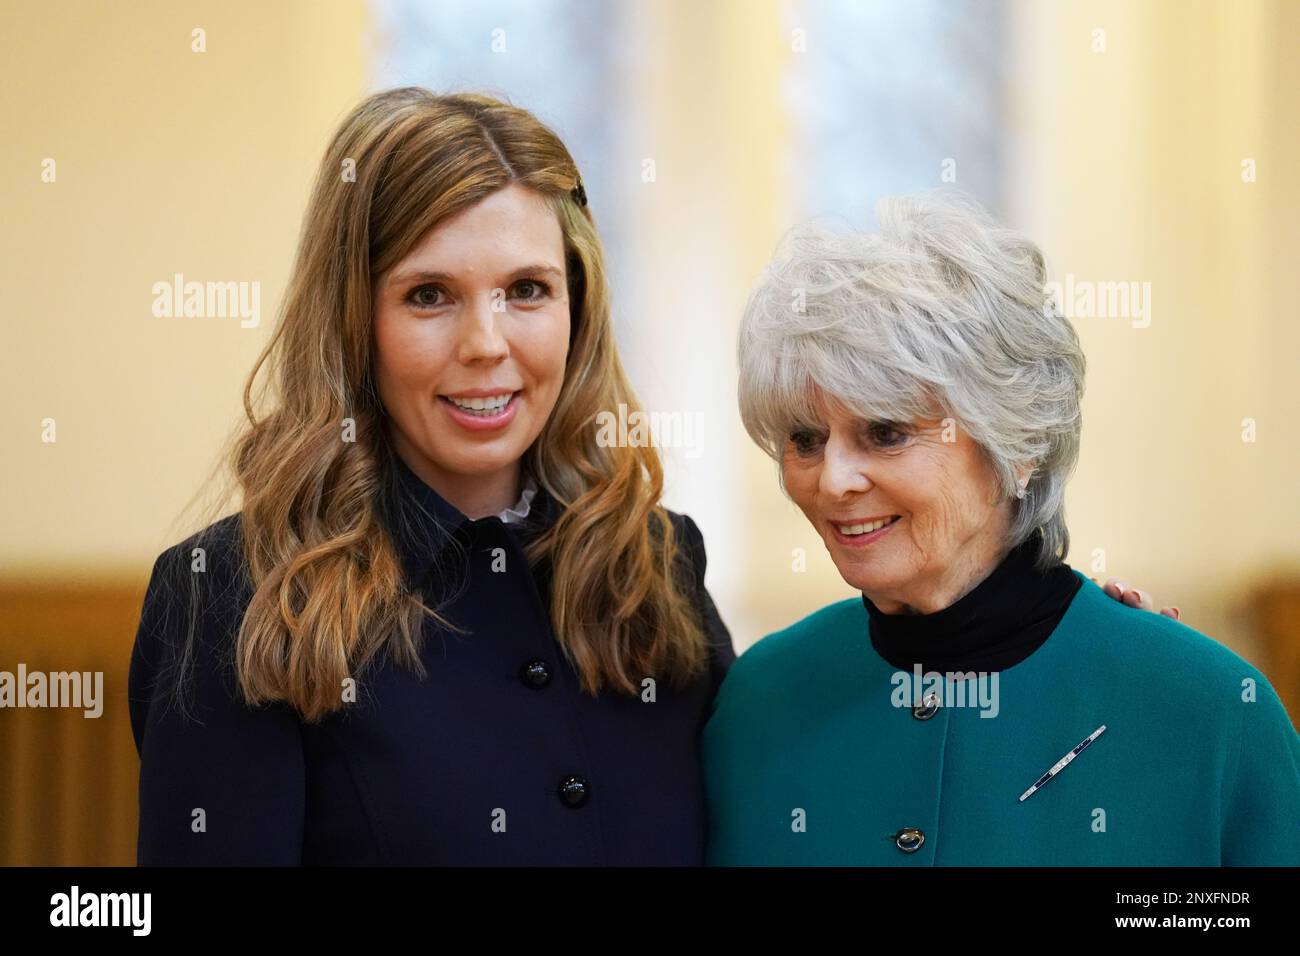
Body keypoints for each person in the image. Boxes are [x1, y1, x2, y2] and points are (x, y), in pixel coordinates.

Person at [128, 87, 733, 865]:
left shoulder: (658, 564)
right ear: (353, 321)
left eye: (526, 290)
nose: (486, 343)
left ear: (576, 308)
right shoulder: (228, 598)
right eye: (429, 295)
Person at [703, 191, 1300, 865]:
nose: (833, 480)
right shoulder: (761, 703)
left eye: (887, 433)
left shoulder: (1212, 715)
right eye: (806, 439)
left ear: (1018, 443)